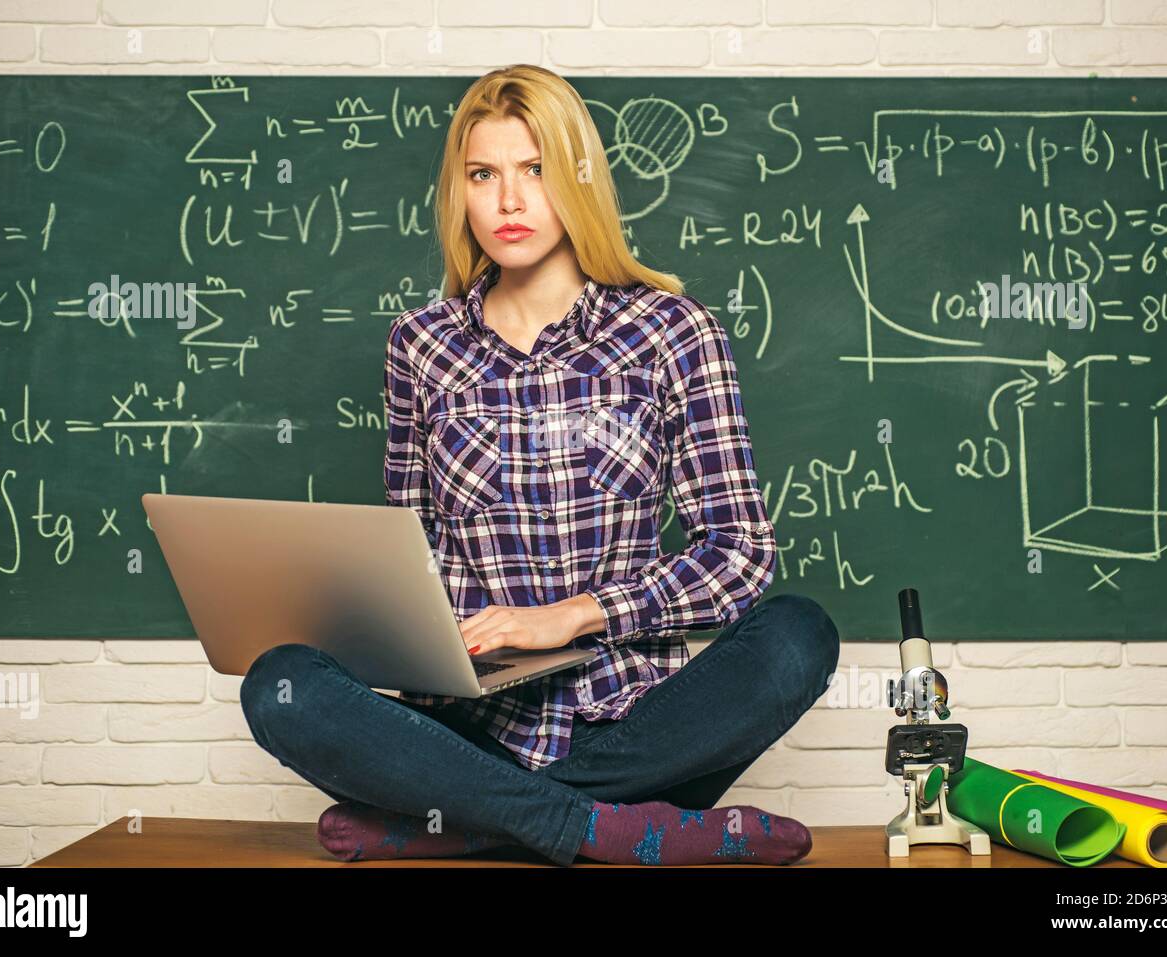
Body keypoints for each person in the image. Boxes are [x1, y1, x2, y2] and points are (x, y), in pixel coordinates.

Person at [239, 64, 840, 867]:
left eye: (535, 171)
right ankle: (599, 830)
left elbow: (740, 556)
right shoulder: (420, 345)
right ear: (460, 191)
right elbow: (412, 555)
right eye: (483, 175)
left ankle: (474, 826)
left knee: (800, 636)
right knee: (282, 685)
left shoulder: (672, 330)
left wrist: (576, 614)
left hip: (638, 725)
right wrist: (409, 632)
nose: (509, 201)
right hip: (467, 731)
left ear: (579, 181)